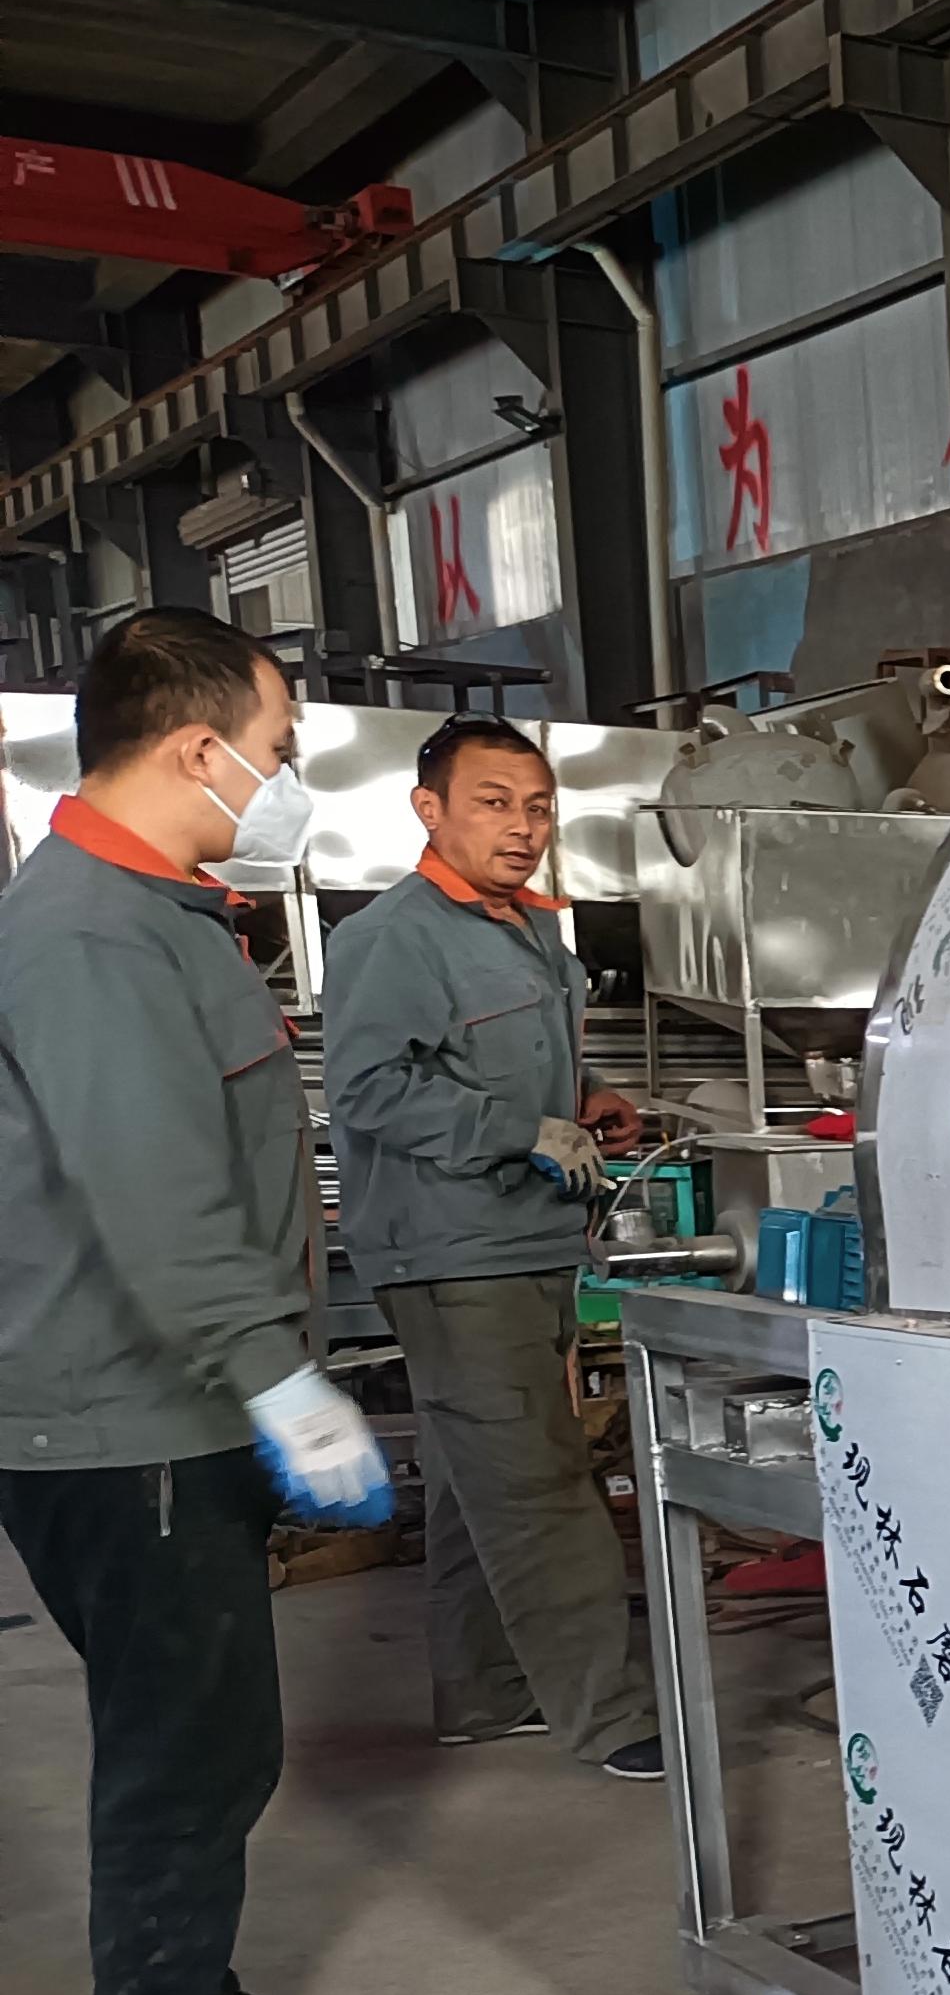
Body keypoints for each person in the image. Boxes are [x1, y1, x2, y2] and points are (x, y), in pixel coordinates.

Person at [0, 607, 392, 1995]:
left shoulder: (155, 916)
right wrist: (278, 1379)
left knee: (207, 1733)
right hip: (129, 1417)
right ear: (195, 748)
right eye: (279, 750)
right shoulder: (89, 934)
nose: (284, 780)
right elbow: (154, 1192)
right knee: (183, 1749)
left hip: (169, 1401)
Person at [322, 717, 663, 1781]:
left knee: (480, 1482)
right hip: (453, 1252)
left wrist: (584, 1100)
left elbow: (499, 1067)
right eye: (493, 803)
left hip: (524, 1239)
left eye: (538, 806)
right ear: (428, 810)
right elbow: (369, 1090)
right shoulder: (397, 936)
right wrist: (521, 1132)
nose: (522, 827)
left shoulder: (526, 932)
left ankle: (485, 1694)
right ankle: (613, 1717)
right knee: (538, 1485)